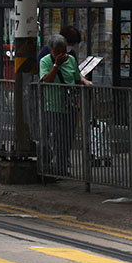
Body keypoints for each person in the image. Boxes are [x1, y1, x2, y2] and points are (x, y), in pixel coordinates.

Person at [38, 32, 91, 175]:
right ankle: (53, 165)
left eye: (63, 51)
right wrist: (56, 65)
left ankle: (61, 167)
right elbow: (46, 80)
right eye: (57, 52)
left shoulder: (72, 60)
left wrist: (85, 82)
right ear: (50, 50)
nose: (61, 55)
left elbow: (75, 77)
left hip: (71, 105)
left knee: (67, 138)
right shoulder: (45, 61)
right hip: (54, 106)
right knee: (57, 137)